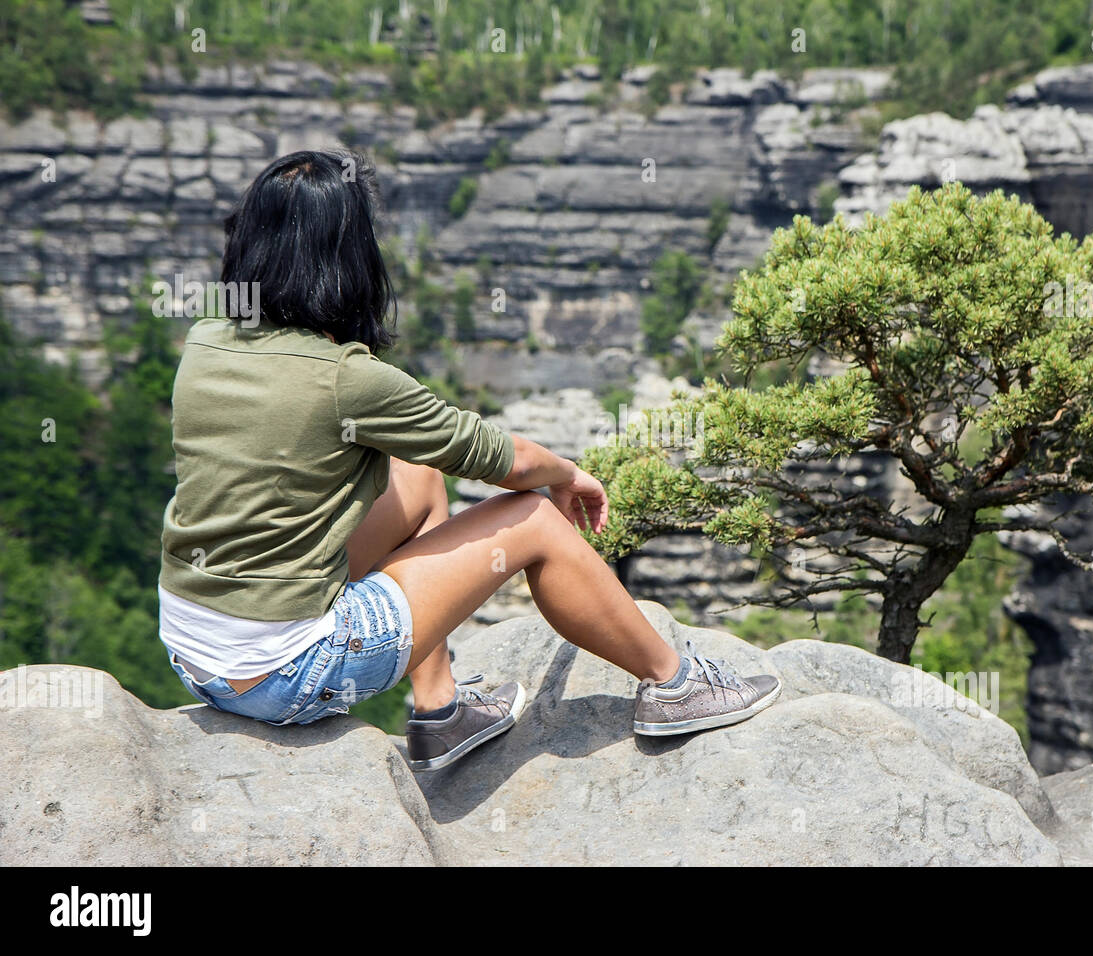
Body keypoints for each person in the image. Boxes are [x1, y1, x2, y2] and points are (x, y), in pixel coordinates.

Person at [157, 149, 780, 771]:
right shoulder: (347, 377)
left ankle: (439, 709)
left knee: (419, 477)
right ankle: (675, 686)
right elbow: (496, 456)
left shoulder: (207, 339)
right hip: (285, 672)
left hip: (194, 653)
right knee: (533, 521)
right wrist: (569, 475)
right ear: (348, 258)